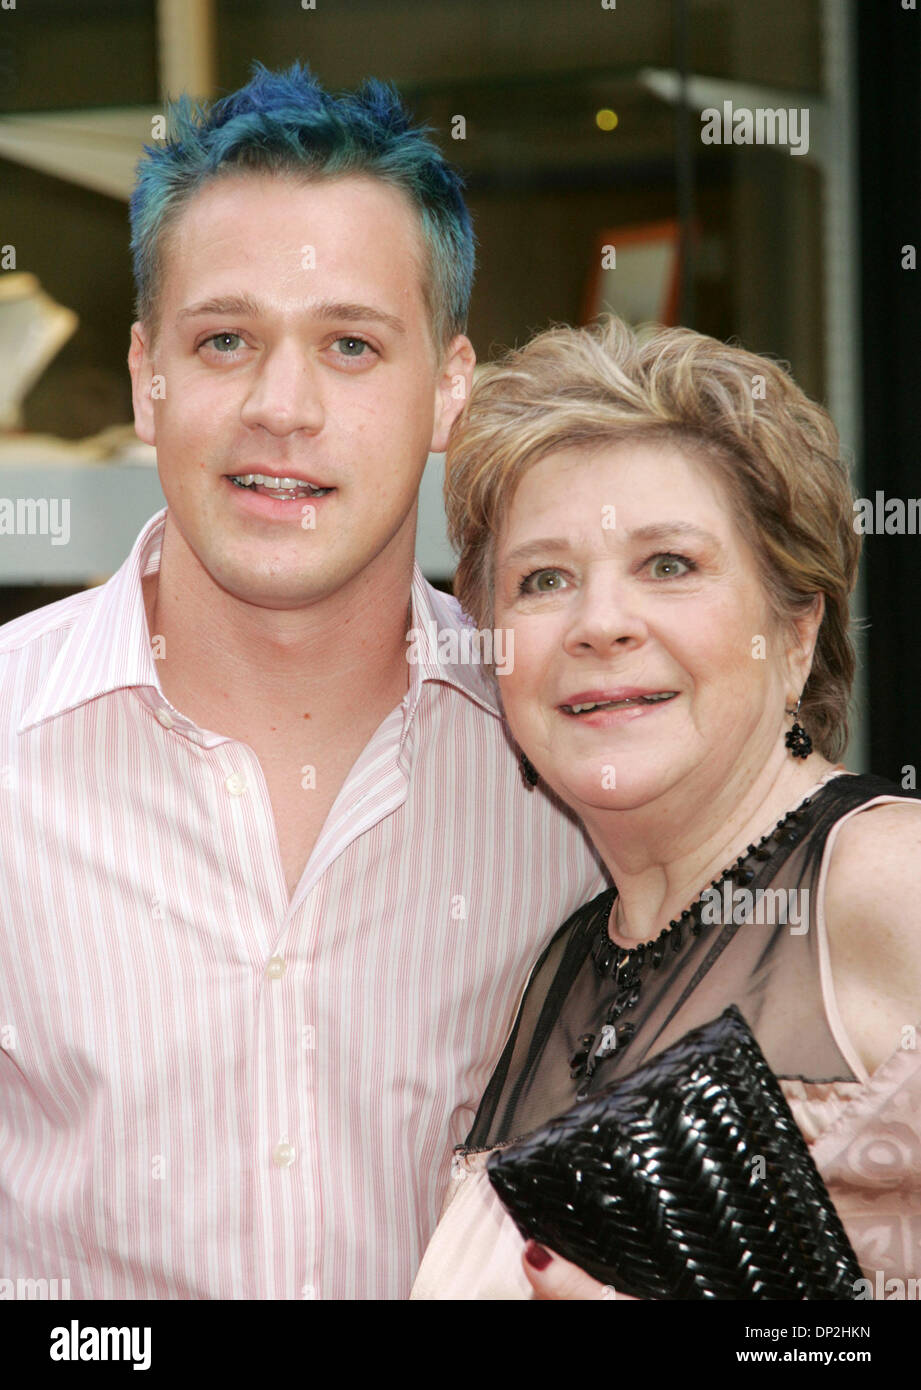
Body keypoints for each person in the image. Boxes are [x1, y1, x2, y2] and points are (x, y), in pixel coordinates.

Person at [0, 65, 606, 1301]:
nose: (284, 407)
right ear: (143, 376)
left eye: (349, 345)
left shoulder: (579, 771)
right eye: (225, 341)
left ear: (448, 387)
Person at [411, 315, 921, 1300]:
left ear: (797, 627)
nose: (601, 623)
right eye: (543, 579)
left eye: (669, 565)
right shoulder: (554, 970)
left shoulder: (886, 883)